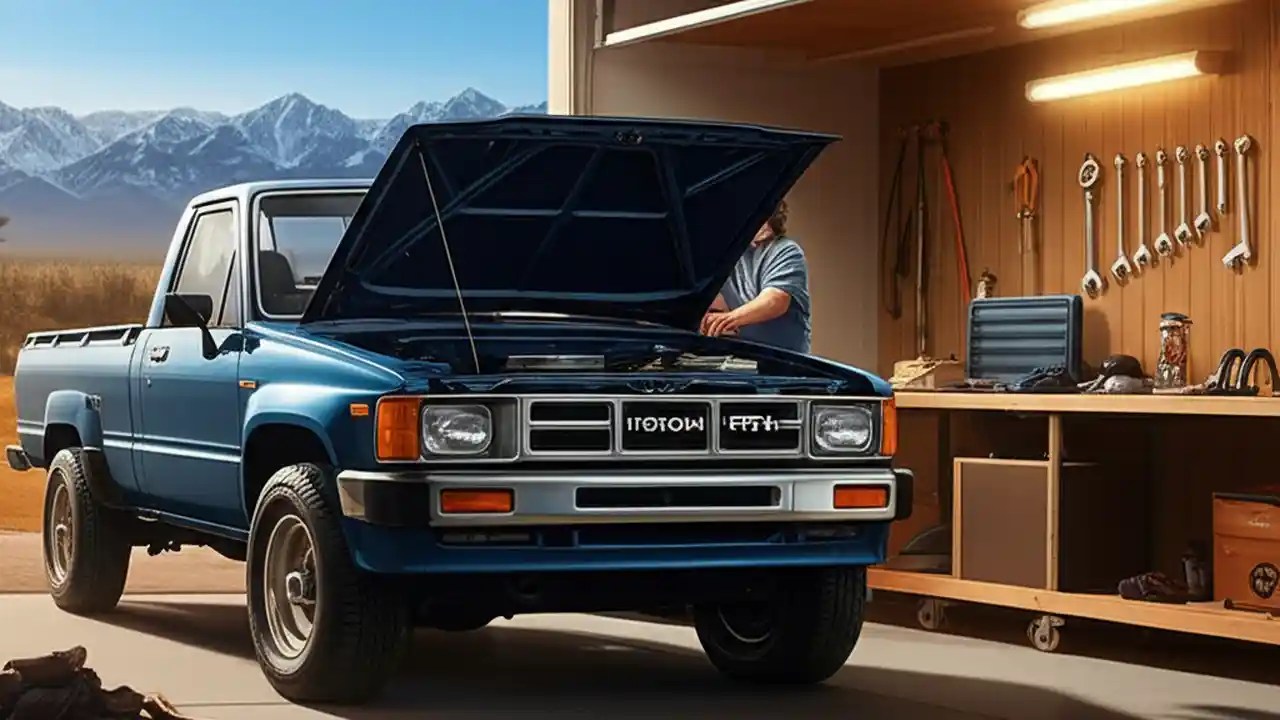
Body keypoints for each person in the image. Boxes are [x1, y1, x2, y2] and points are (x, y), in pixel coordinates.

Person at [701, 199, 811, 354]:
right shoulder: (723, 255)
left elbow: (775, 300)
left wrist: (730, 318)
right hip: (738, 361)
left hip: (783, 364)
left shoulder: (785, 250)